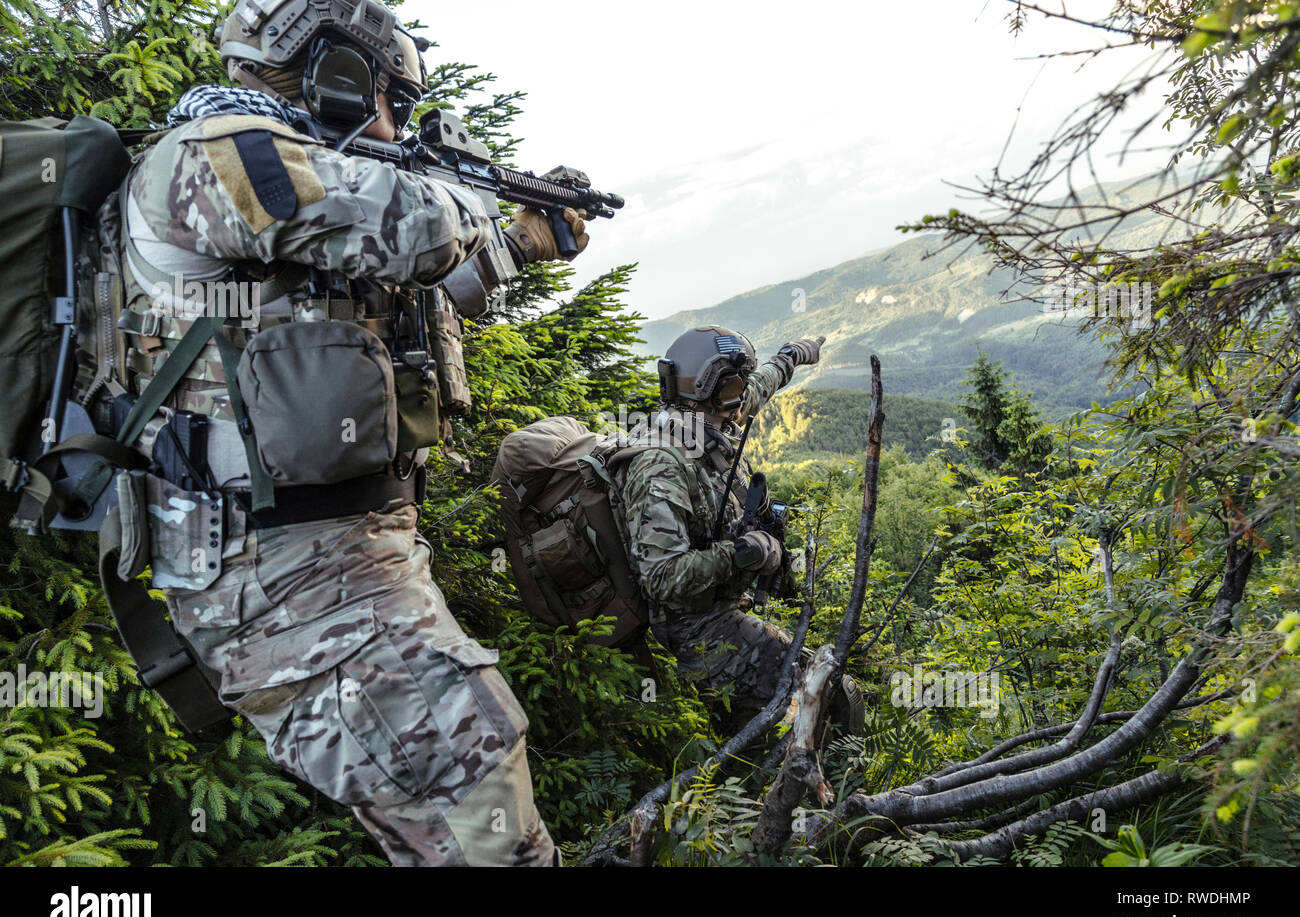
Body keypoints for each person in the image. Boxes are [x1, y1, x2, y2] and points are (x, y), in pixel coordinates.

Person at [95, 0, 590, 866]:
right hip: (287, 573)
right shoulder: (210, 154)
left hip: (336, 560)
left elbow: (411, 291)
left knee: (458, 809)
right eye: (394, 97)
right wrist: (471, 191)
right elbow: (415, 229)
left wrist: (518, 242)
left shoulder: (284, 166)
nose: (395, 122)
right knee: (475, 794)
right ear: (339, 72)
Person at [620, 326, 865, 736]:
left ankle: (752, 755)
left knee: (803, 705)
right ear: (705, 390)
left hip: (723, 607)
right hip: (697, 630)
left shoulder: (708, 417)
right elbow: (660, 575)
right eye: (734, 387)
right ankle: (813, 774)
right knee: (837, 698)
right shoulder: (661, 464)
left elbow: (759, 387)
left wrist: (792, 355)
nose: (741, 401)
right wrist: (743, 553)